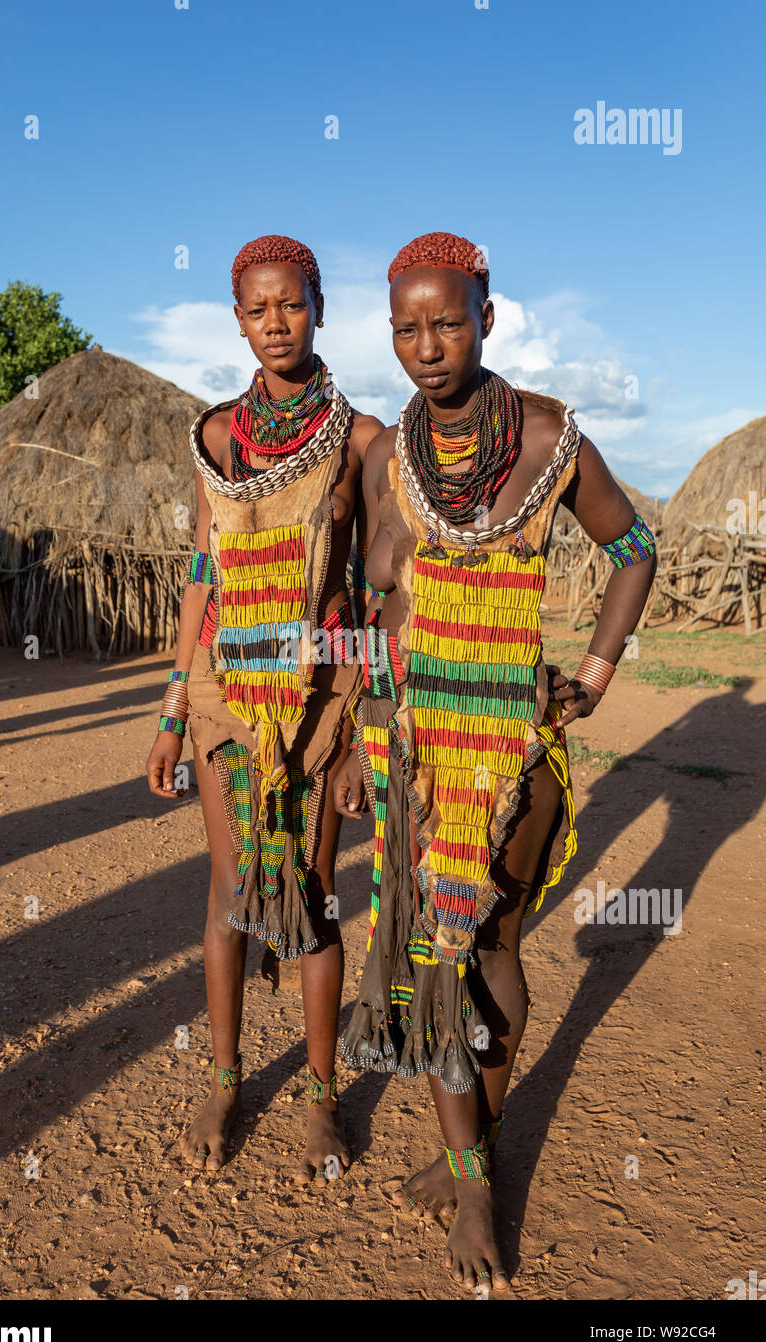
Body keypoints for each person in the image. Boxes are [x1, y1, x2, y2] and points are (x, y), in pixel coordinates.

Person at [334, 232, 656, 1288]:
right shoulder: (386, 458)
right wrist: (350, 724)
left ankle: (474, 1165)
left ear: (486, 314)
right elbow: (371, 601)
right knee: (426, 952)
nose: (427, 345)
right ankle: (471, 1164)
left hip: (506, 751)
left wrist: (595, 675)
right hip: (403, 745)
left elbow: (630, 549)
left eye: (447, 320)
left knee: (489, 954)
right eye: (405, 327)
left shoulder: (547, 439)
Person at [146, 235, 382, 1184]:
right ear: (236, 318)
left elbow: (376, 587)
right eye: (257, 309)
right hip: (221, 689)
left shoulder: (363, 441)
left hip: (321, 691)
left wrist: (368, 720)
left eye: (291, 305)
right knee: (229, 894)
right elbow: (202, 571)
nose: (275, 323)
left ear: (319, 305)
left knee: (316, 896)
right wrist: (170, 707)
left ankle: (322, 1096)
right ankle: (227, 1078)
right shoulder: (213, 438)